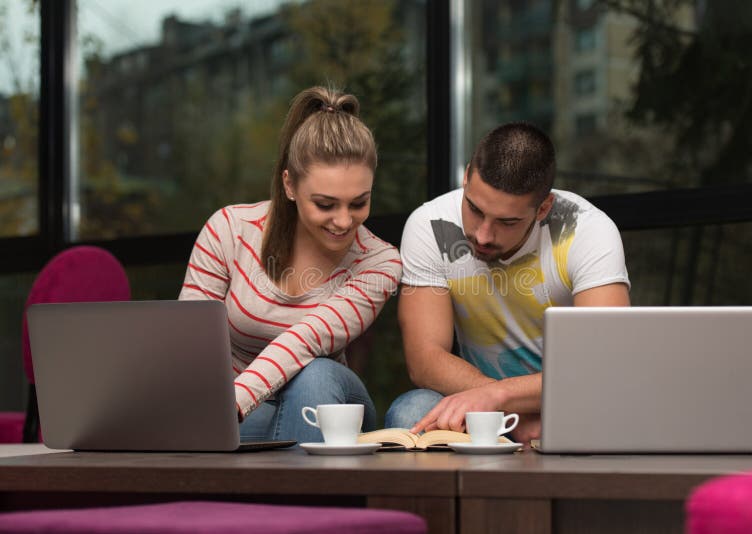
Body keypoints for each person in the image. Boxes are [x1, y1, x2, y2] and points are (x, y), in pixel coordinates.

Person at [385, 122, 630, 447]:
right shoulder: (432, 226)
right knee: (411, 411)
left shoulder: (585, 232)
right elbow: (425, 360)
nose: (483, 234)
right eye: (474, 209)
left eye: (507, 222)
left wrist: (501, 396)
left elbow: (602, 364)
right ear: (467, 175)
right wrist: (502, 404)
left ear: (544, 208)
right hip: (480, 407)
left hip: (575, 403)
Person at [179, 86, 402, 444]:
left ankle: (299, 498)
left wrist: (227, 407)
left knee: (314, 374)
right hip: (236, 408)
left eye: (359, 202)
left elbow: (305, 339)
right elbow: (188, 343)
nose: (344, 221)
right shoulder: (229, 230)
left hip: (328, 404)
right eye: (326, 204)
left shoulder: (380, 263)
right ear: (290, 185)